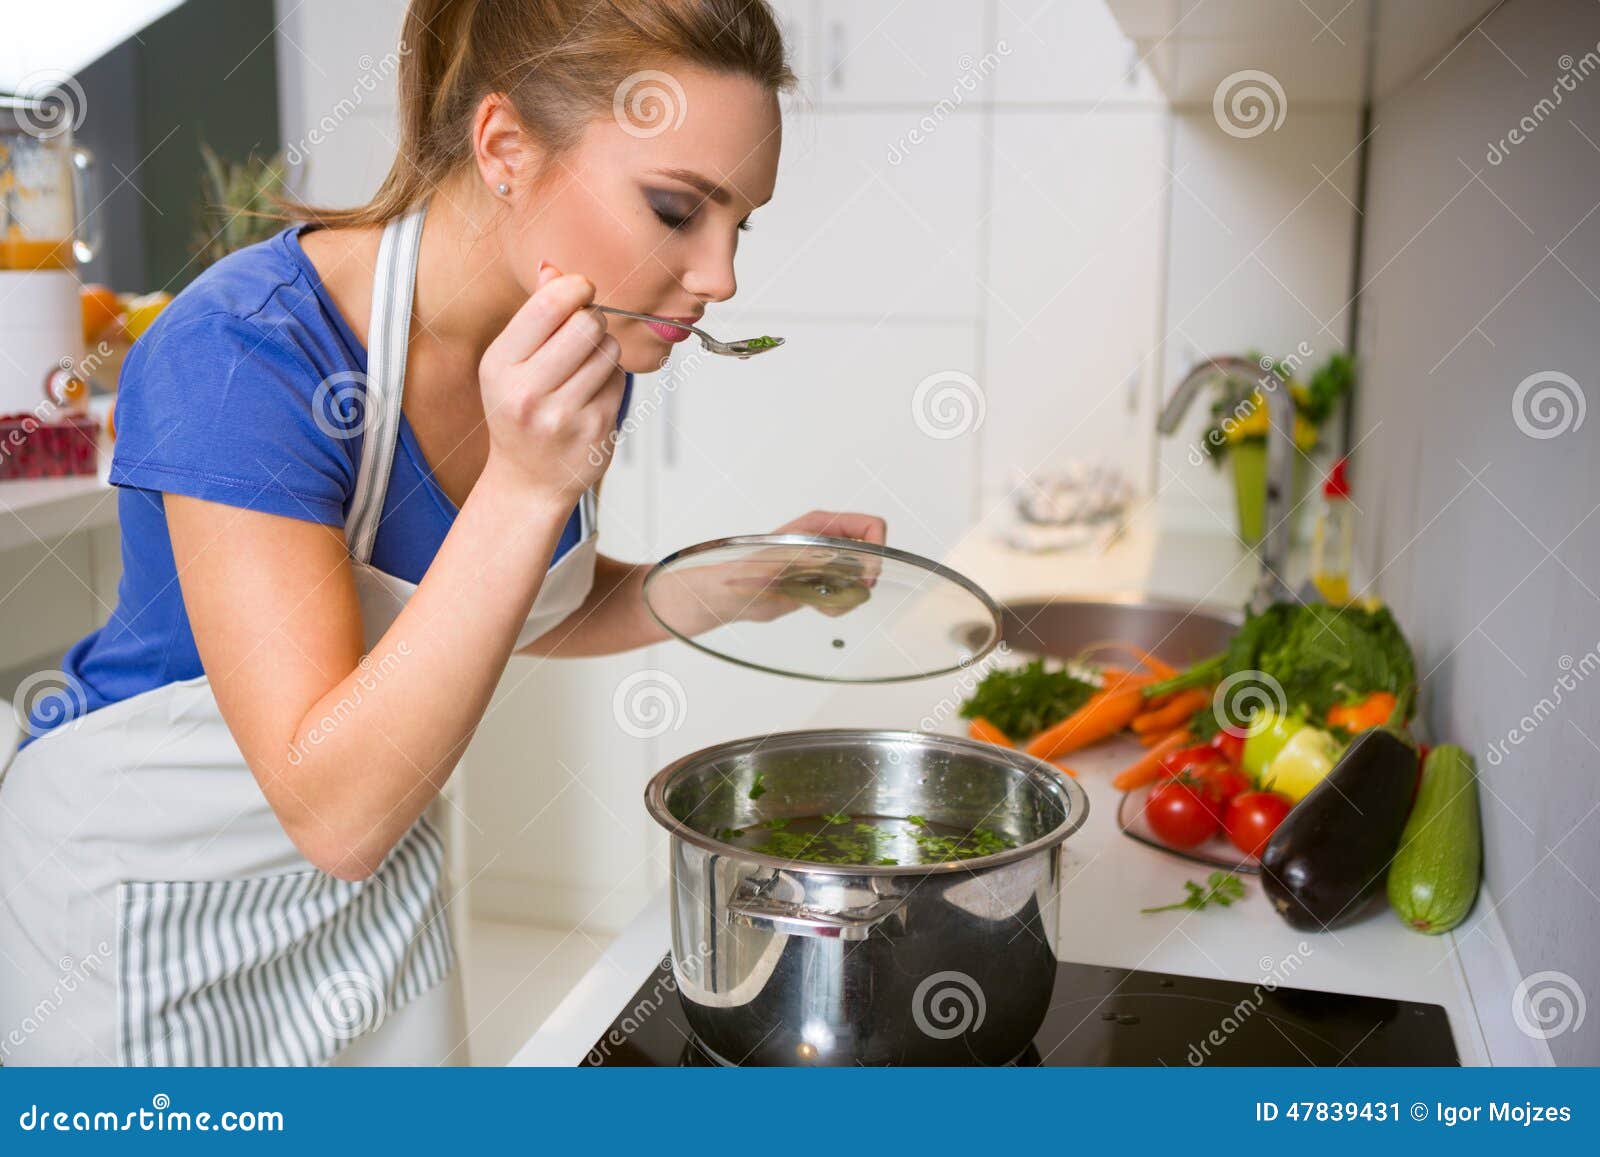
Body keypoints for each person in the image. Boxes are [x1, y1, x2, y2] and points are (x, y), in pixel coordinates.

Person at [0, 0, 884, 1066]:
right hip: (145, 910)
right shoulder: (246, 352)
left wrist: (720, 581)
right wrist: (523, 482)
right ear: (505, 146)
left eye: (739, 222)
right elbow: (333, 810)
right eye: (674, 209)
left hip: (370, 909)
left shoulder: (574, 340)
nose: (720, 276)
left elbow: (489, 604)